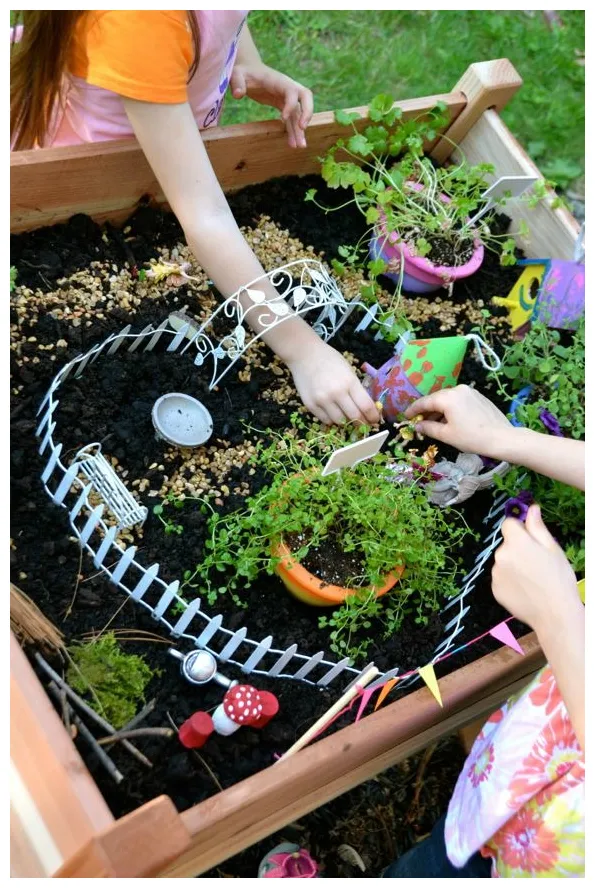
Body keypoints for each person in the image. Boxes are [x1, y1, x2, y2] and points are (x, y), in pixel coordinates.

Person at [10, 11, 380, 429]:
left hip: (172, 147)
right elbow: (204, 215)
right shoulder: (140, 19)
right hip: (100, 186)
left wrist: (246, 63)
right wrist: (304, 352)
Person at [379, 385, 584, 878]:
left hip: (545, 857)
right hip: (515, 781)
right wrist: (506, 439)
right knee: (439, 855)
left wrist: (558, 617)